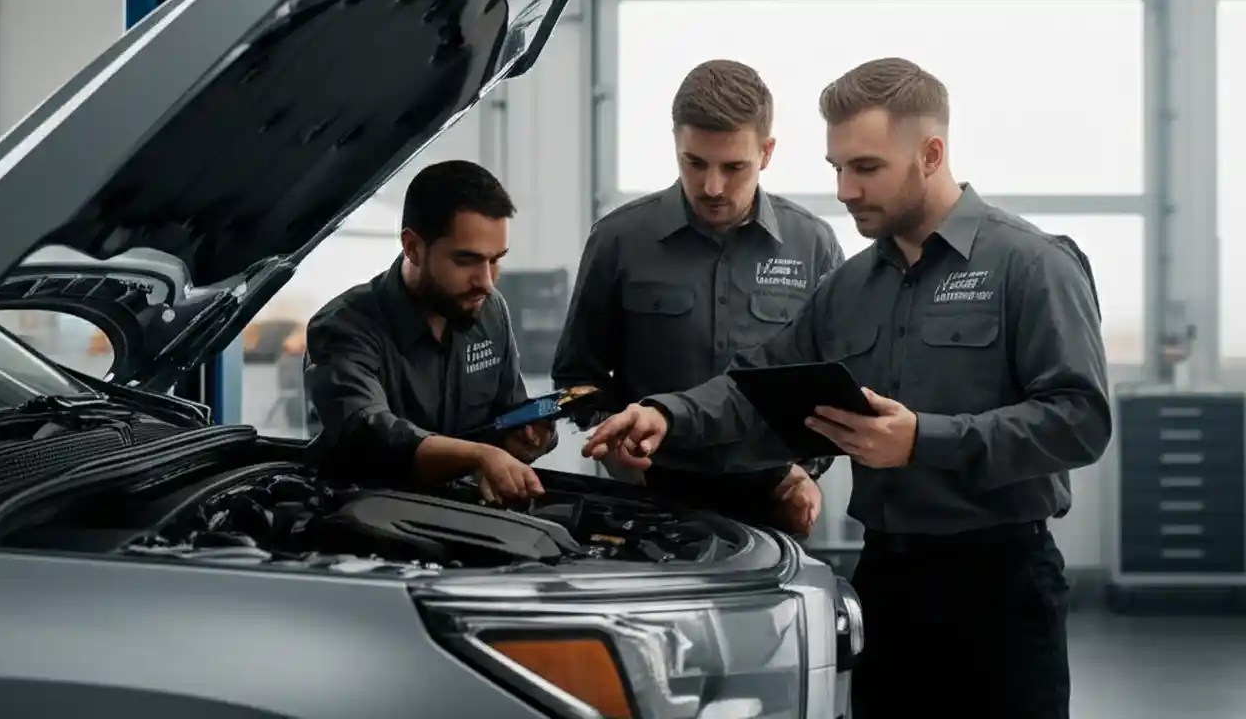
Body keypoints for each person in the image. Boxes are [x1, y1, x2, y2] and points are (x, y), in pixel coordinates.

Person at [580, 57, 1111, 719]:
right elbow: (757, 384)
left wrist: (924, 440)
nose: (845, 190)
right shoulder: (853, 287)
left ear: (931, 153)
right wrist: (667, 414)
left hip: (999, 585)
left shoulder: (1032, 265)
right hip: (886, 579)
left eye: (865, 168)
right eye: (836, 168)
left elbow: (1080, 420)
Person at [552, 59, 844, 535]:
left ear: (767, 153)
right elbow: (575, 378)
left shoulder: (813, 245)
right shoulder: (618, 240)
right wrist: (616, 448)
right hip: (649, 501)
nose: (712, 186)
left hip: (773, 502)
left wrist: (804, 474)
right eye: (695, 163)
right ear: (675, 145)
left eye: (734, 167)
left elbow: (836, 382)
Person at [304, 159, 554, 504]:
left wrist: (523, 437)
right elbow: (368, 434)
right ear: (412, 247)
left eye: (495, 259)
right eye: (466, 260)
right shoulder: (343, 327)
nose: (485, 281)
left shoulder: (490, 310)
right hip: (362, 524)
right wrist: (477, 455)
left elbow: (504, 416)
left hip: (468, 515)